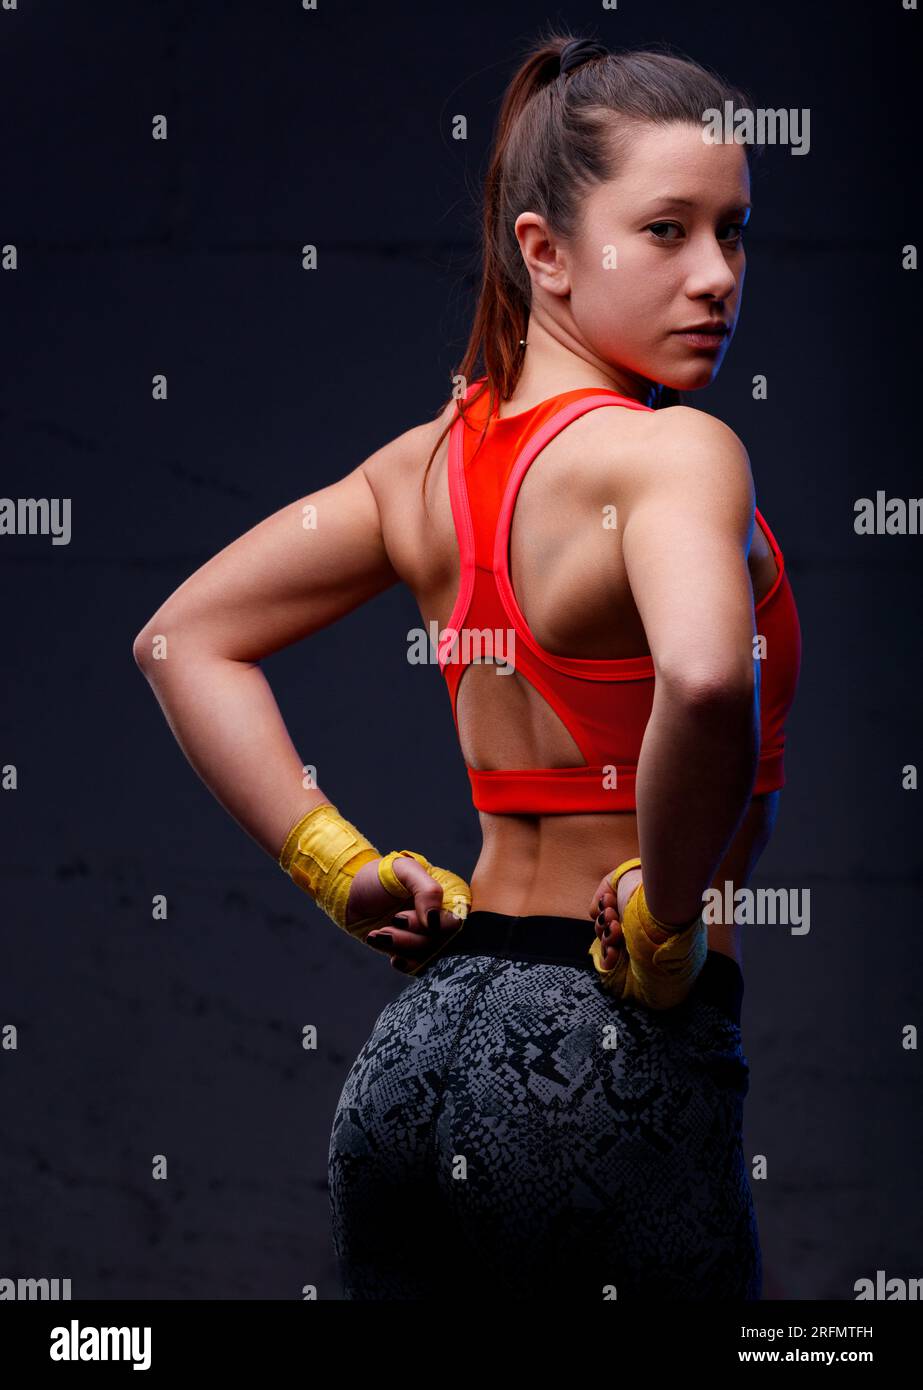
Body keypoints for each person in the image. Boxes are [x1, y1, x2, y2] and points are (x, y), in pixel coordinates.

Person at [134, 31, 801, 1301]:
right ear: (543, 251)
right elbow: (708, 682)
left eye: (733, 232)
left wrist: (339, 868)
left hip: (414, 1059)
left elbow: (180, 639)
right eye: (665, 231)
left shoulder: (419, 471)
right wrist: (664, 921)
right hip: (609, 1062)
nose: (716, 276)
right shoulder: (675, 456)